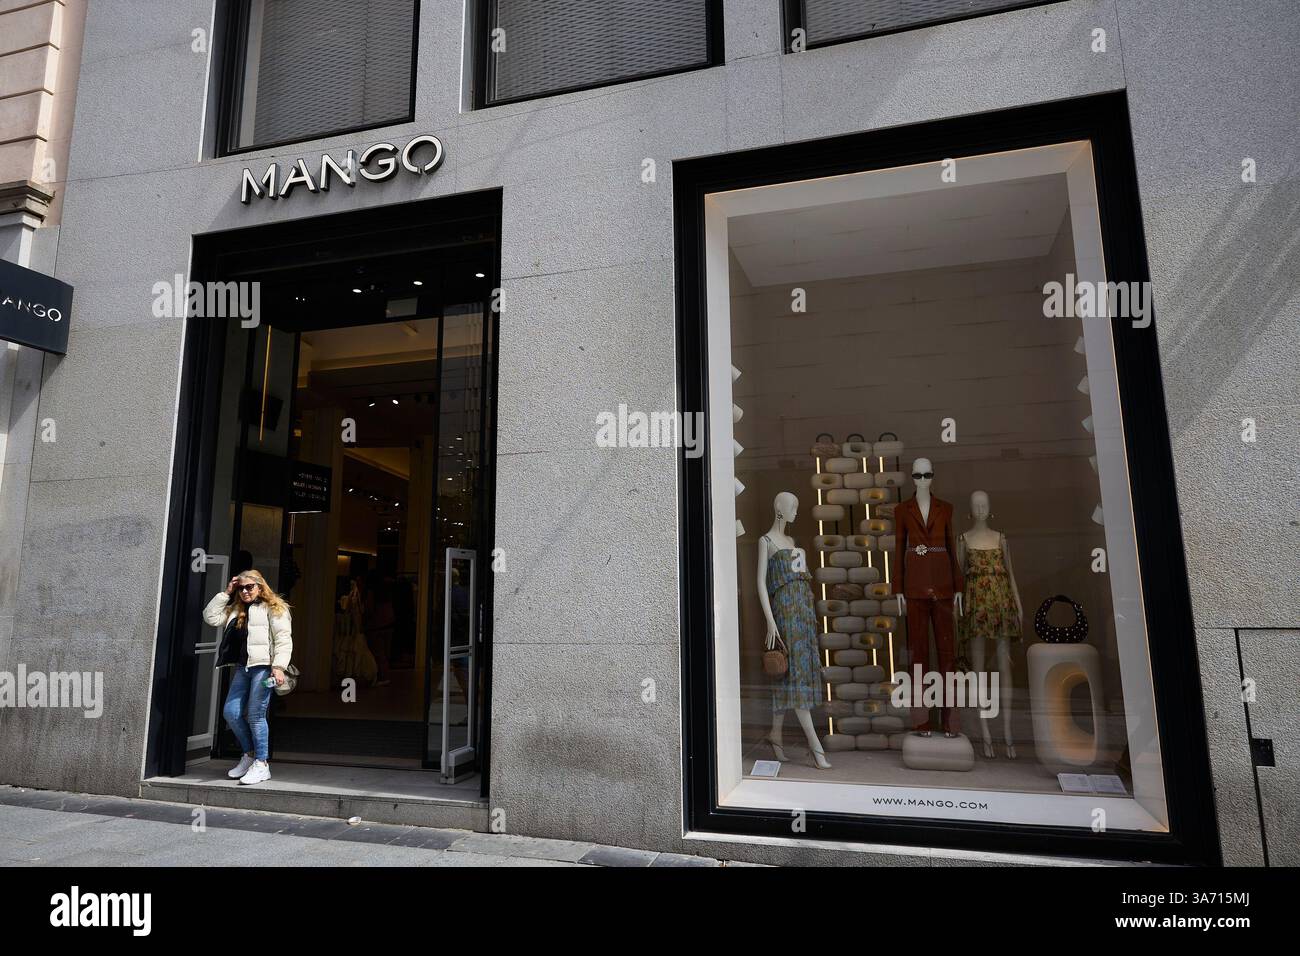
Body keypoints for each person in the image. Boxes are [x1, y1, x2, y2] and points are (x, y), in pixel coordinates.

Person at [202, 569, 292, 785]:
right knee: (231, 712)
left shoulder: (274, 607)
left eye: (249, 587)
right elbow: (210, 617)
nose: (244, 591)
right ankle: (249, 754)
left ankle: (262, 764)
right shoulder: (236, 609)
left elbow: (283, 638)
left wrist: (279, 666)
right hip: (244, 668)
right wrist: (227, 592)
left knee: (255, 715)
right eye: (241, 588)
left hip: (264, 668)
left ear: (260, 587)